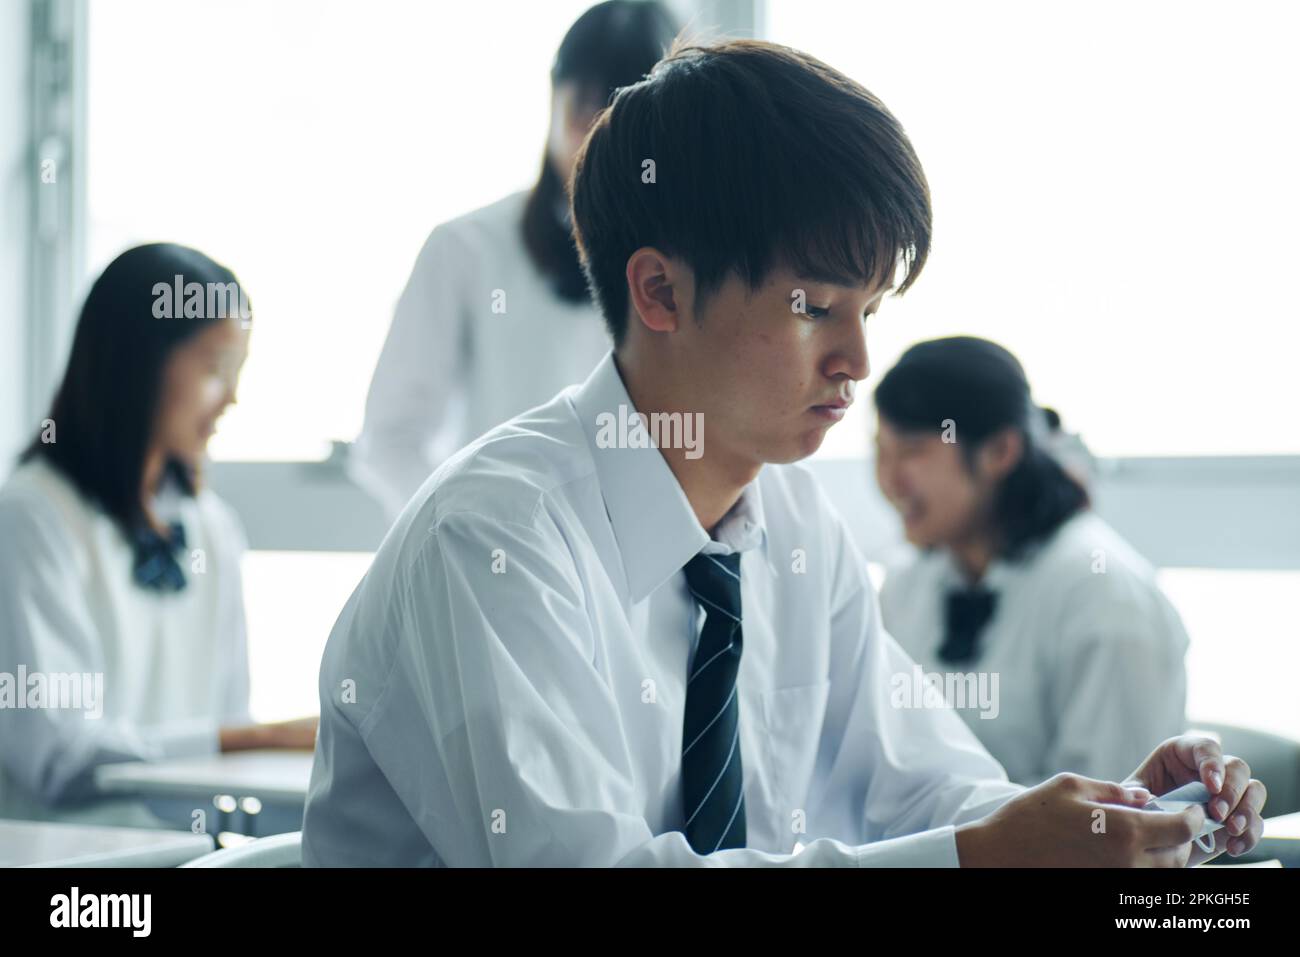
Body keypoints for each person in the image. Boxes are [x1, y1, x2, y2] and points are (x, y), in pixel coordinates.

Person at [303, 39, 1265, 866]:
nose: (856, 361)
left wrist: (1111, 819)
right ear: (661, 293)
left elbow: (926, 794)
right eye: (816, 306)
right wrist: (978, 856)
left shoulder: (798, 527)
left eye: (869, 310)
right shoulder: (495, 538)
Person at [0, 243, 316, 826]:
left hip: (190, 854)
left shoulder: (212, 528)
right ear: (138, 364)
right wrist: (257, 737)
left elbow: (226, 741)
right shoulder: (32, 517)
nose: (232, 398)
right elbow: (56, 755)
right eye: (217, 370)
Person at [350, 0, 681, 519]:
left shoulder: (698, 264)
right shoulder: (466, 248)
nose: (592, 136)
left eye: (619, 121)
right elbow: (390, 440)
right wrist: (472, 534)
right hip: (492, 565)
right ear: (553, 98)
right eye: (581, 109)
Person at [872, 337, 1189, 785]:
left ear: (1000, 451)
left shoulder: (1105, 596)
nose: (888, 479)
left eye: (912, 451)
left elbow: (1117, 822)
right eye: (880, 449)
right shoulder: (908, 581)